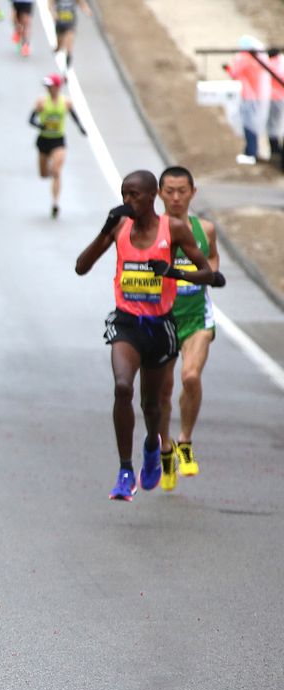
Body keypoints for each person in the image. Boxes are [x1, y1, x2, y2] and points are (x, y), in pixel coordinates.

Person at [74, 170, 224, 502]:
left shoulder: (174, 229)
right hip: (127, 323)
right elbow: (81, 267)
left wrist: (172, 272)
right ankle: (126, 471)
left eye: (134, 195)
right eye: (124, 194)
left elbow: (210, 275)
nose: (128, 201)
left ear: (151, 196)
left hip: (161, 326)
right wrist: (105, 229)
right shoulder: (119, 227)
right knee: (123, 387)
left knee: (152, 405)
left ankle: (153, 446)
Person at [156, 166, 220, 489]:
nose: (177, 197)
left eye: (183, 191)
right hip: (161, 318)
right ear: (159, 193)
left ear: (193, 192)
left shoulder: (205, 228)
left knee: (190, 376)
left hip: (197, 316)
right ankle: (165, 449)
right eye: (170, 191)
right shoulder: (149, 231)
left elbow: (212, 263)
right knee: (162, 392)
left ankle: (185, 441)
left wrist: (208, 275)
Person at [30, 74, 86, 218]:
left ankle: (55, 203)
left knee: (56, 171)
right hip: (43, 140)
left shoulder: (65, 102)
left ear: (56, 87)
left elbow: (74, 116)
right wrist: (39, 124)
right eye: (47, 86)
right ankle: (50, 171)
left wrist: (81, 128)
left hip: (58, 140)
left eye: (50, 86)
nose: (48, 88)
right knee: (43, 174)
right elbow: (30, 119)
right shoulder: (41, 101)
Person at [224, 37, 269, 165]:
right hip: (258, 96)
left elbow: (234, 73)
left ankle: (251, 152)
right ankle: (251, 150)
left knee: (248, 125)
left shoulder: (244, 59)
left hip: (246, 96)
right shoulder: (259, 60)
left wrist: (227, 68)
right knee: (253, 124)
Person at [51, 0, 91, 68]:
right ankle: (57, 49)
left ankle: (68, 61)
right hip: (60, 21)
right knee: (60, 45)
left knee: (69, 43)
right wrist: (53, 14)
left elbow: (81, 2)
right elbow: (49, 4)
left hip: (70, 22)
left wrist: (86, 10)